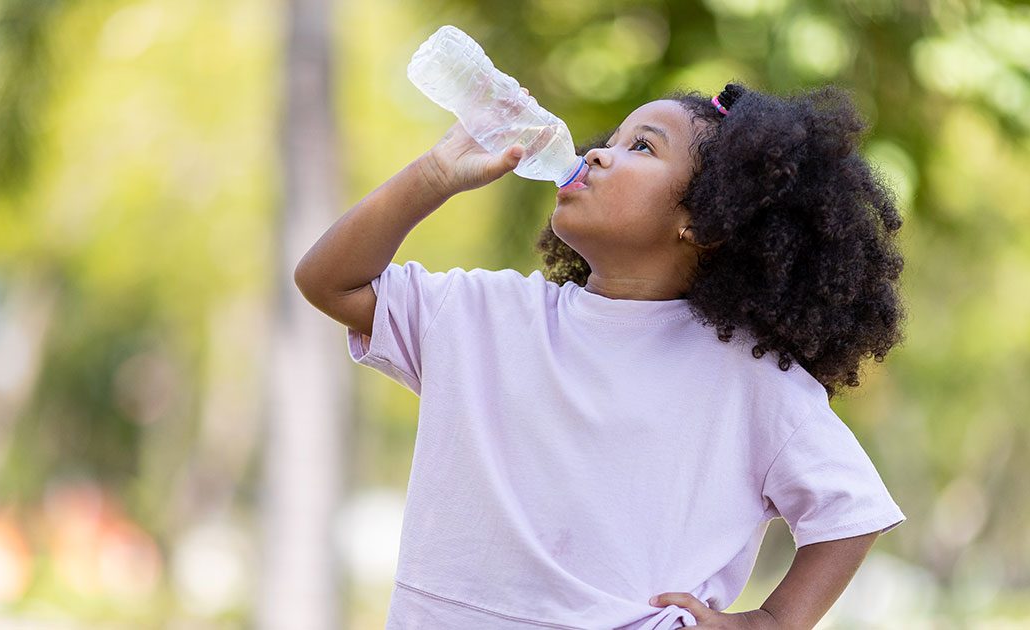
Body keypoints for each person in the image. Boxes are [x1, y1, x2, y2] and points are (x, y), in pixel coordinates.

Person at [294, 82, 908, 630]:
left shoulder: (748, 378)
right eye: (610, 139)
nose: (596, 153)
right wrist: (433, 175)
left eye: (642, 147)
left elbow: (849, 509)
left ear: (702, 220)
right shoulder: (482, 313)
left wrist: (773, 620)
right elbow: (329, 281)